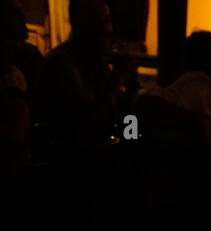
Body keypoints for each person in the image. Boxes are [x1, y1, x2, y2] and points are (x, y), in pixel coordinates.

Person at [35, 0, 137, 145]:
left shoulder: (95, 61)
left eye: (107, 21)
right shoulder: (61, 64)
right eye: (98, 22)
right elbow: (88, 126)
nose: (108, 30)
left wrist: (131, 88)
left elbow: (125, 127)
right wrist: (117, 81)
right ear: (80, 25)